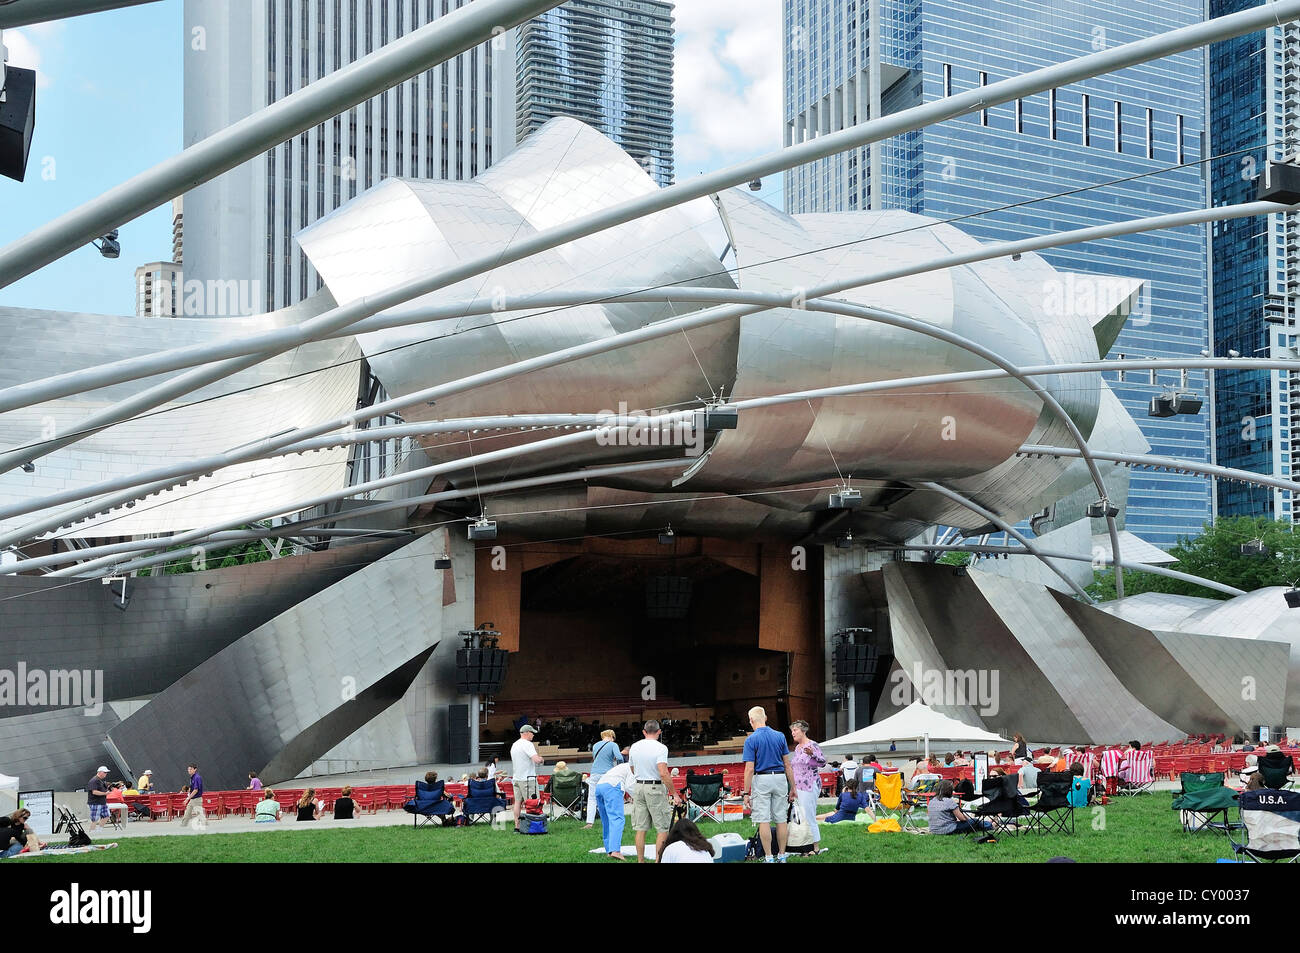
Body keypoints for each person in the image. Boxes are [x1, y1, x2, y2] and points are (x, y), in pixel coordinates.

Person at [742, 706, 797, 863]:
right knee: (781, 819)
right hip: (780, 778)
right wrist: (793, 787)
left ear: (751, 720)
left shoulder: (751, 740)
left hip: (762, 779)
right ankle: (781, 855)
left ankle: (768, 857)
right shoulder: (780, 736)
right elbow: (788, 765)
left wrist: (746, 793)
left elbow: (749, 769)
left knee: (763, 820)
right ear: (765, 718)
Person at [628, 719, 680, 863]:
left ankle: (640, 861)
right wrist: (674, 793)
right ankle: (658, 861)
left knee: (641, 828)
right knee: (662, 828)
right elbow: (663, 773)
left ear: (644, 732)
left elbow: (632, 769)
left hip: (638, 786)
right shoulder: (661, 748)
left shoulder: (634, 746)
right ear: (659, 732)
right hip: (655, 787)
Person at [788, 719, 827, 855]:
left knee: (809, 815)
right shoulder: (797, 748)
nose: (792, 733)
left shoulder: (813, 745)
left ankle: (815, 847)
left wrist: (813, 754)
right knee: (799, 817)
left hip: (809, 784)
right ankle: (802, 845)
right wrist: (792, 788)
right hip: (797, 786)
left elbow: (823, 762)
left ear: (803, 731)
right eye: (792, 730)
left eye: (795, 730)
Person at [594, 760, 635, 860]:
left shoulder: (623, 766)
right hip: (613, 786)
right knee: (617, 819)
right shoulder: (633, 768)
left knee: (606, 820)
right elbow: (630, 785)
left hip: (600, 786)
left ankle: (609, 849)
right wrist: (638, 797)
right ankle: (615, 850)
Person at [585, 727, 626, 828]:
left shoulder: (595, 745)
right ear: (612, 736)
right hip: (607, 774)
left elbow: (596, 758)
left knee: (592, 798)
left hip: (594, 773)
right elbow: (620, 757)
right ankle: (611, 819)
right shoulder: (613, 744)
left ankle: (589, 822)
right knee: (609, 797)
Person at [510, 724, 544, 833]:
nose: (533, 735)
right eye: (532, 733)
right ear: (526, 733)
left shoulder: (514, 745)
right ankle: (533, 826)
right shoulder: (528, 744)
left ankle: (517, 826)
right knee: (532, 802)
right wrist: (541, 759)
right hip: (528, 779)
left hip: (516, 778)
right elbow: (536, 759)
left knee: (517, 803)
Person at [178, 762, 206, 829]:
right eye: (188, 769)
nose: (189, 770)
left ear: (195, 769)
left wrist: (187, 798)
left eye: (190, 769)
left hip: (197, 799)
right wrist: (183, 791)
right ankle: (183, 826)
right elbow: (191, 788)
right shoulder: (192, 777)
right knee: (187, 812)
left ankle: (203, 828)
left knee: (199, 815)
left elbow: (196, 790)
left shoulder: (197, 778)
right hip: (192, 799)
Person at [86, 765, 111, 831]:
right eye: (105, 772)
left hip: (102, 802)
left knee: (107, 816)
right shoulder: (94, 780)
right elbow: (94, 792)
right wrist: (105, 793)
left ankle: (99, 830)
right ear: (100, 772)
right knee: (95, 819)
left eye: (106, 773)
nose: (106, 774)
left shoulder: (100, 780)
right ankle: (92, 832)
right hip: (95, 802)